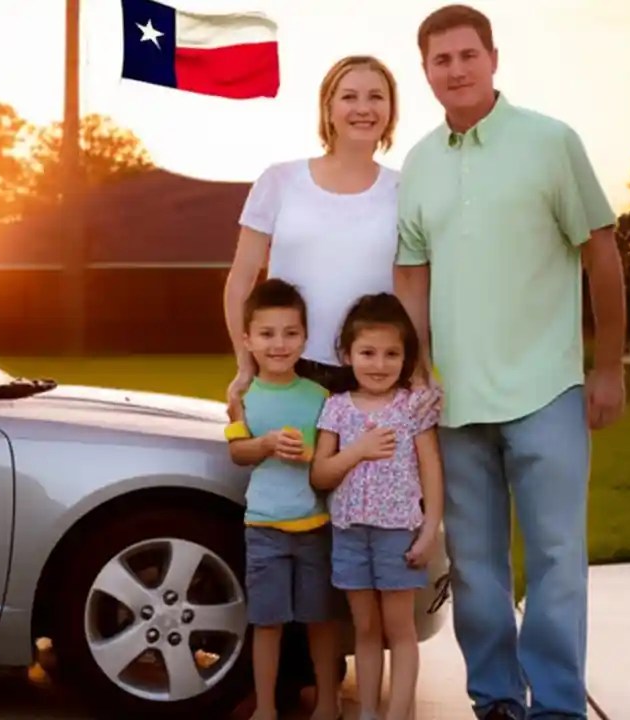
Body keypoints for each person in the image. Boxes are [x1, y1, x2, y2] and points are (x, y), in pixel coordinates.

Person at [393, 5, 627, 719]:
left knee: (557, 560)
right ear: (426, 70)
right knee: (477, 566)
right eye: (441, 60)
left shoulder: (551, 142)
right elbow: (411, 273)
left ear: (493, 59)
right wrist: (420, 368)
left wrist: (609, 365)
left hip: (547, 387)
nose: (456, 70)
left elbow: (602, 254)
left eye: (468, 55)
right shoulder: (421, 162)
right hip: (456, 400)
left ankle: (557, 706)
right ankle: (495, 697)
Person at [223, 54, 404, 712]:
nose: (363, 107)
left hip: (368, 379)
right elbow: (243, 276)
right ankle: (283, 685)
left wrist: (415, 370)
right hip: (290, 373)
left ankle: (335, 688)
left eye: (376, 97)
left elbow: (414, 285)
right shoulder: (280, 181)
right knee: (283, 525)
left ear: (390, 110)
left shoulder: (403, 189)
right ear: (327, 107)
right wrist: (247, 363)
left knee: (348, 533)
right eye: (349, 95)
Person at [310, 293, 445, 720]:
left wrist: (428, 531)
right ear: (347, 355)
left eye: (392, 354)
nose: (379, 364)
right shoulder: (336, 408)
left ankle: (398, 713)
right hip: (349, 534)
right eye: (367, 353)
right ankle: (368, 711)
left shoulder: (411, 408)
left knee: (399, 628)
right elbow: (321, 475)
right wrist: (360, 451)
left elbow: (431, 471)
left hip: (397, 534)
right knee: (365, 628)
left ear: (406, 358)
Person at [224, 278, 339, 720]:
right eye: (268, 334)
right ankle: (266, 708)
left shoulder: (321, 398)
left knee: (320, 621)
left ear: (305, 338)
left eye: (291, 333)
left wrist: (308, 454)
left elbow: (328, 464)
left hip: (314, 528)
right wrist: (266, 444)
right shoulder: (243, 398)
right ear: (249, 339)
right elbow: (238, 452)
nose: (279, 344)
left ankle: (328, 704)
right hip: (264, 529)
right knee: (267, 622)